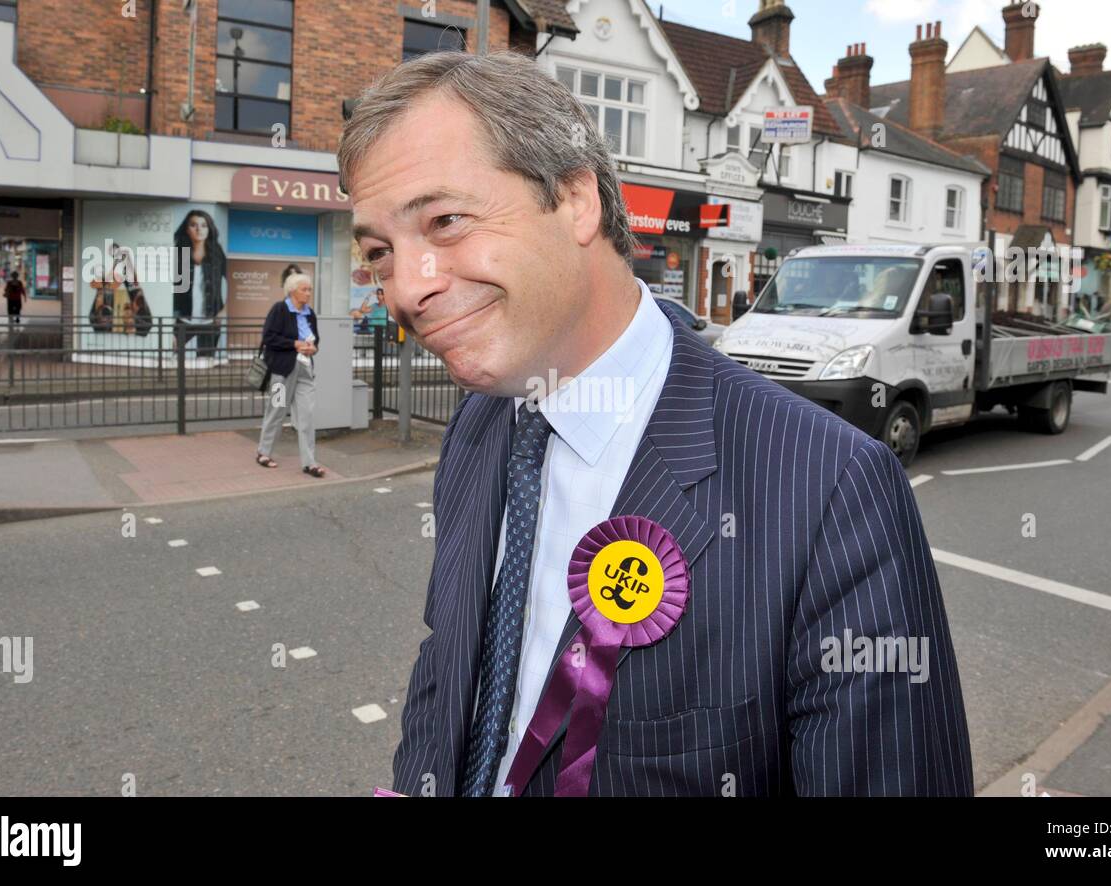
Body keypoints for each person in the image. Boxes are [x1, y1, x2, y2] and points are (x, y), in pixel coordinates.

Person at [342, 51, 972, 798]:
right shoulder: (478, 427)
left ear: (576, 199)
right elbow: (449, 667)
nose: (407, 288)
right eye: (381, 253)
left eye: (445, 220)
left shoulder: (832, 488)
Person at [255, 273, 326, 478]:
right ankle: (264, 452)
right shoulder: (280, 309)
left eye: (309, 289)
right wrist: (294, 344)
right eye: (305, 289)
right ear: (293, 291)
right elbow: (269, 337)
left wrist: (314, 348)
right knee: (276, 411)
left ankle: (309, 462)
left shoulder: (310, 313)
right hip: (281, 371)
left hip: (305, 371)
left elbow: (316, 340)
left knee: (307, 417)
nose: (308, 293)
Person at [173, 209, 226, 357]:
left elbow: (233, 281)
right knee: (167, 356)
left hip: (210, 321)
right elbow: (166, 287)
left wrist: (223, 311)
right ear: (187, 229)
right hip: (183, 318)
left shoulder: (217, 253)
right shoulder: (178, 252)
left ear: (209, 229)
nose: (199, 229)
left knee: (206, 363)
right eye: (193, 225)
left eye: (204, 225)